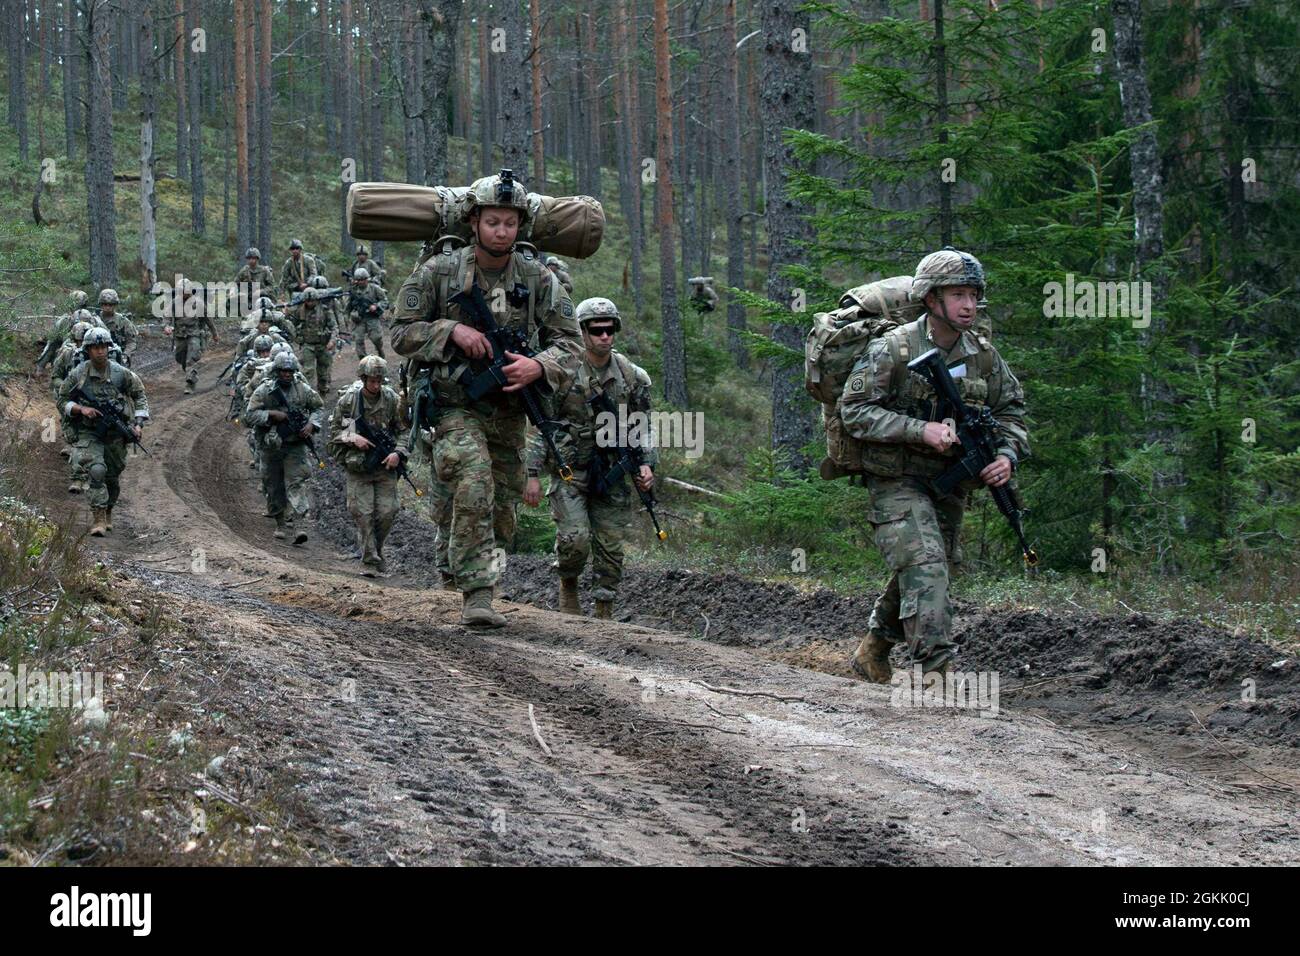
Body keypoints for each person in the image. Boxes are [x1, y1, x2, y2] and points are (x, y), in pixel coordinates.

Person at [390, 168, 582, 627]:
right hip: (454, 404)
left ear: (521, 226)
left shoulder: (538, 278)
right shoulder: (439, 271)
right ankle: (476, 594)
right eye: (493, 221)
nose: (502, 230)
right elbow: (399, 333)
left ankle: (477, 577)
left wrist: (539, 365)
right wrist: (450, 329)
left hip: (509, 410)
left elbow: (571, 343)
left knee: (502, 504)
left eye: (510, 223)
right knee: (474, 481)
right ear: (473, 221)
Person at [839, 246, 1030, 683]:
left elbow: (1012, 411)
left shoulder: (982, 354)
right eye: (958, 294)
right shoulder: (894, 347)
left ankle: (873, 650)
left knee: (934, 564)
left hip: (948, 483)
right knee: (925, 562)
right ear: (931, 299)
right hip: (896, 477)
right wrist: (917, 430)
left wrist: (1005, 455)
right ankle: (935, 675)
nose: (969, 305)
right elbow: (854, 410)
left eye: (974, 294)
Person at [524, 297, 656, 619]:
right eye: (596, 330)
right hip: (572, 470)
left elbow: (644, 425)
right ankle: (568, 584)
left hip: (612, 470)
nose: (604, 336)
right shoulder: (562, 371)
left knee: (610, 546)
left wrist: (646, 463)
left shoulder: (631, 376)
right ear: (582, 332)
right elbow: (543, 426)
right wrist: (531, 473)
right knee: (575, 540)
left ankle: (604, 607)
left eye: (609, 329)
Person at [58, 327, 150, 536]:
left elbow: (140, 395)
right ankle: (98, 519)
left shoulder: (121, 373)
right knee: (96, 471)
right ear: (88, 350)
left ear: (108, 348)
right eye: (95, 348)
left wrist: (138, 423)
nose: (100, 351)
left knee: (112, 476)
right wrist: (82, 409)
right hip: (88, 432)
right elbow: (63, 399)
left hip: (115, 434)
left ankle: (108, 510)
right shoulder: (78, 374)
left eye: (103, 347)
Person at [327, 355, 410, 571]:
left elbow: (404, 431)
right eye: (371, 380)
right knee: (362, 513)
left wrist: (398, 454)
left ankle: (377, 549)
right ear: (363, 379)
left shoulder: (391, 400)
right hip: (359, 466)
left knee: (387, 512)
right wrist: (353, 437)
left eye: (379, 380)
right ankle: (369, 559)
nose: (375, 385)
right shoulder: (349, 401)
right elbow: (335, 431)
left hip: (385, 466)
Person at [243, 351, 324, 544]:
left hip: (295, 446)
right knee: (273, 485)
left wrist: (311, 424)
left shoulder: (302, 389)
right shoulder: (264, 390)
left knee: (296, 483)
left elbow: (318, 407)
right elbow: (249, 415)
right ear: (277, 371)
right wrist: (271, 414)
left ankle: (299, 525)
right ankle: (280, 523)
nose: (287, 374)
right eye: (283, 371)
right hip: (270, 446)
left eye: (290, 371)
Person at [164, 278, 220, 394]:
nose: (183, 293)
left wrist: (215, 334)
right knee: (180, 358)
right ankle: (190, 372)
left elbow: (208, 319)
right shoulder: (175, 302)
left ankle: (190, 384)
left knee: (192, 358)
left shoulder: (198, 303)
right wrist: (166, 326)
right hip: (180, 335)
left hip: (194, 334)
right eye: (181, 291)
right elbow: (167, 316)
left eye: (185, 291)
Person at [295, 277, 340, 394]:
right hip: (307, 345)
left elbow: (334, 327)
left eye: (312, 301)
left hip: (323, 345)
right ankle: (307, 394)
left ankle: (323, 390)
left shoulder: (325, 310)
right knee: (308, 371)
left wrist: (332, 341)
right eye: (307, 301)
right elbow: (291, 324)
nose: (310, 303)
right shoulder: (299, 311)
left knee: (323, 372)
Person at [347, 268, 387, 360]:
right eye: (358, 280)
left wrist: (376, 306)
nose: (360, 282)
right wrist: (347, 317)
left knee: (376, 338)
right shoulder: (353, 290)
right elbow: (348, 306)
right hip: (359, 319)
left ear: (367, 279)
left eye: (362, 279)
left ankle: (380, 351)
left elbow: (385, 301)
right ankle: (363, 360)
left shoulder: (374, 288)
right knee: (359, 340)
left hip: (372, 317)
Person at [96, 289, 138, 365]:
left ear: (115, 305)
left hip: (118, 358)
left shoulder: (123, 321)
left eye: (110, 305)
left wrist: (125, 354)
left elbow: (132, 342)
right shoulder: (95, 320)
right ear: (101, 304)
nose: (107, 307)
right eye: (105, 304)